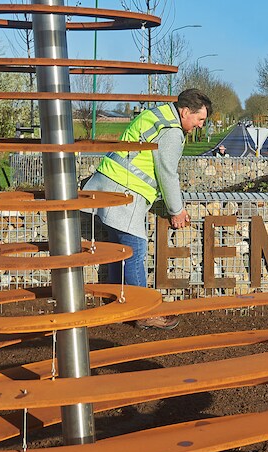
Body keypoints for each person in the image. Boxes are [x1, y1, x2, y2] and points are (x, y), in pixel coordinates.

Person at [82, 88, 212, 330]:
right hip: (126, 190)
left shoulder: (158, 115)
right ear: (185, 112)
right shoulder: (172, 132)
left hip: (108, 183)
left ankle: (119, 305)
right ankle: (144, 312)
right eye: (200, 119)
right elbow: (167, 172)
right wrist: (176, 210)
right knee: (135, 251)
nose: (201, 126)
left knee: (118, 252)